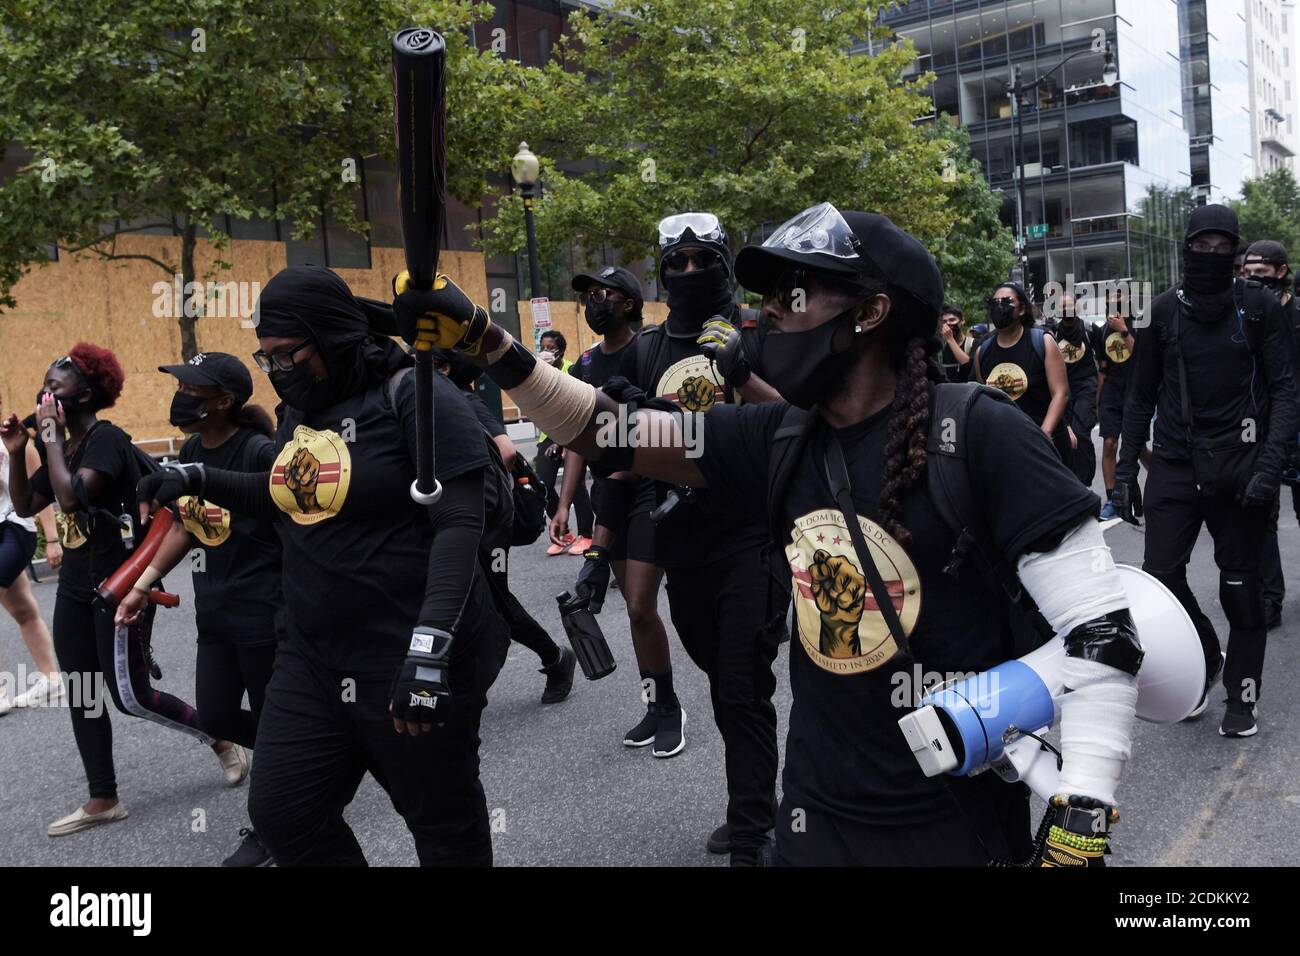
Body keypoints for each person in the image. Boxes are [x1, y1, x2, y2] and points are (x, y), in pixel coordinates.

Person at [402, 201, 1144, 867]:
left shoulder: (979, 432)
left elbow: (1103, 634)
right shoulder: (779, 438)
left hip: (950, 824)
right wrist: (487, 340)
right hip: (814, 815)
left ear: (870, 312)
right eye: (761, 298)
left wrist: (1081, 812)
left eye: (791, 294)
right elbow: (607, 430)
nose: (766, 316)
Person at [137, 266, 510, 865]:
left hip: (406, 654)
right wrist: (199, 477)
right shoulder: (300, 413)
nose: (278, 372)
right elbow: (286, 494)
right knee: (285, 816)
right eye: (267, 361)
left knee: (442, 826)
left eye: (288, 355)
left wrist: (430, 644)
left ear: (332, 335)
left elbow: (460, 522)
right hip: (311, 655)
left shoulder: (413, 393)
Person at [0, 344, 233, 837]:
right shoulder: (61, 445)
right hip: (74, 589)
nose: (45, 395)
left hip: (124, 583)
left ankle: (219, 735)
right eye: (43, 386)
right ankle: (103, 797)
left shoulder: (105, 439)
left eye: (54, 386)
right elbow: (25, 503)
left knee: (132, 696)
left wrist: (47, 436)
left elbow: (70, 495)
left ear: (85, 393)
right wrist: (21, 452)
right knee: (84, 691)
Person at [1112, 206, 1299, 737]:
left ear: (1236, 252)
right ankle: (1206, 658)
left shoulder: (1261, 308)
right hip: (1174, 463)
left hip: (1240, 467)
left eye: (1224, 247)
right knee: (1161, 582)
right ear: (1186, 248)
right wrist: (1125, 473)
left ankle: (1243, 695)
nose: (1212, 256)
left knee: (1241, 588)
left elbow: (1287, 389)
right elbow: (1139, 394)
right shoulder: (1163, 312)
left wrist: (1269, 465)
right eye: (1203, 245)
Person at [113, 352, 280, 866]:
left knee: (273, 721)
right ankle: (311, 748)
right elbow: (186, 525)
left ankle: (272, 827)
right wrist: (143, 584)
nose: (181, 394)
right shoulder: (189, 449)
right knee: (216, 715)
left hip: (263, 611)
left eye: (192, 388)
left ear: (224, 401)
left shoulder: (258, 452)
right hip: (216, 613)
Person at [549, 267, 674, 729]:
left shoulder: (649, 350)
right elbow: (580, 439)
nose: (594, 303)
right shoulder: (583, 365)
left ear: (629, 303)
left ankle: (668, 708)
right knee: (633, 613)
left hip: (649, 487)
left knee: (640, 604)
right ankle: (655, 705)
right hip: (608, 495)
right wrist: (565, 502)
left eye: (604, 294)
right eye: (588, 297)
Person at [434, 347, 577, 704]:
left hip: (486, 518)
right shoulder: (435, 403)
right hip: (456, 518)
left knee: (497, 601)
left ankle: (556, 658)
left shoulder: (464, 402)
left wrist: (469, 481)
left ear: (446, 369)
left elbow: (508, 451)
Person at [1240, 239, 1299, 629]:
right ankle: (1269, 600)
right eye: (1247, 275)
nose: (1253, 282)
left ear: (1281, 272)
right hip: (1261, 432)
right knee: (1262, 518)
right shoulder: (1245, 316)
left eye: (1260, 275)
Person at [0, 426, 63, 714]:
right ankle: (51, 680)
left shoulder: (17, 442)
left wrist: (52, 539)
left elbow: (43, 489)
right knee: (23, 609)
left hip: (13, 529)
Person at [973, 283, 1073, 463]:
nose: (999, 307)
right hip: (1005, 446)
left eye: (1006, 301)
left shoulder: (1042, 342)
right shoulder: (983, 351)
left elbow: (1061, 393)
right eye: (994, 302)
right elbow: (984, 399)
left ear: (1022, 309)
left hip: (1047, 445)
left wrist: (1044, 434)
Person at [534, 330, 593, 556]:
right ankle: (564, 532)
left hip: (573, 430)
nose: (545, 352)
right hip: (548, 434)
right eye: (543, 347)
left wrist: (565, 443)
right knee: (543, 484)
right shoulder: (540, 372)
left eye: (550, 348)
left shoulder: (572, 370)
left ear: (561, 350)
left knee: (576, 484)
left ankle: (586, 535)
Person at [1097, 289, 1150, 521]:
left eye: (1120, 296)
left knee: (1137, 448)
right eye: (1111, 297)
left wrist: (1124, 330)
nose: (1115, 301)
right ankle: (1113, 499)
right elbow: (1102, 368)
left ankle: (1164, 483)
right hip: (1111, 392)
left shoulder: (1141, 324)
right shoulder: (1101, 331)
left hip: (1135, 393)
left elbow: (1143, 359)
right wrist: (1096, 401)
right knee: (1110, 443)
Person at [1051, 293, 1101, 486]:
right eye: (1062, 307)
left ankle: (1084, 481)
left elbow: (1103, 361)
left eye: (1069, 306)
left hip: (1086, 387)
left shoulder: (1090, 330)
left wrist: (1100, 396)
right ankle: (1070, 482)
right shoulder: (1053, 333)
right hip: (1062, 389)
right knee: (1064, 437)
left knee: (1080, 433)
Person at [937, 304, 973, 382]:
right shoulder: (944, 347)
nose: (948, 324)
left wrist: (950, 339)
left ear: (962, 321)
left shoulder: (973, 344)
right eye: (944, 321)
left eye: (952, 320)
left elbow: (969, 367)